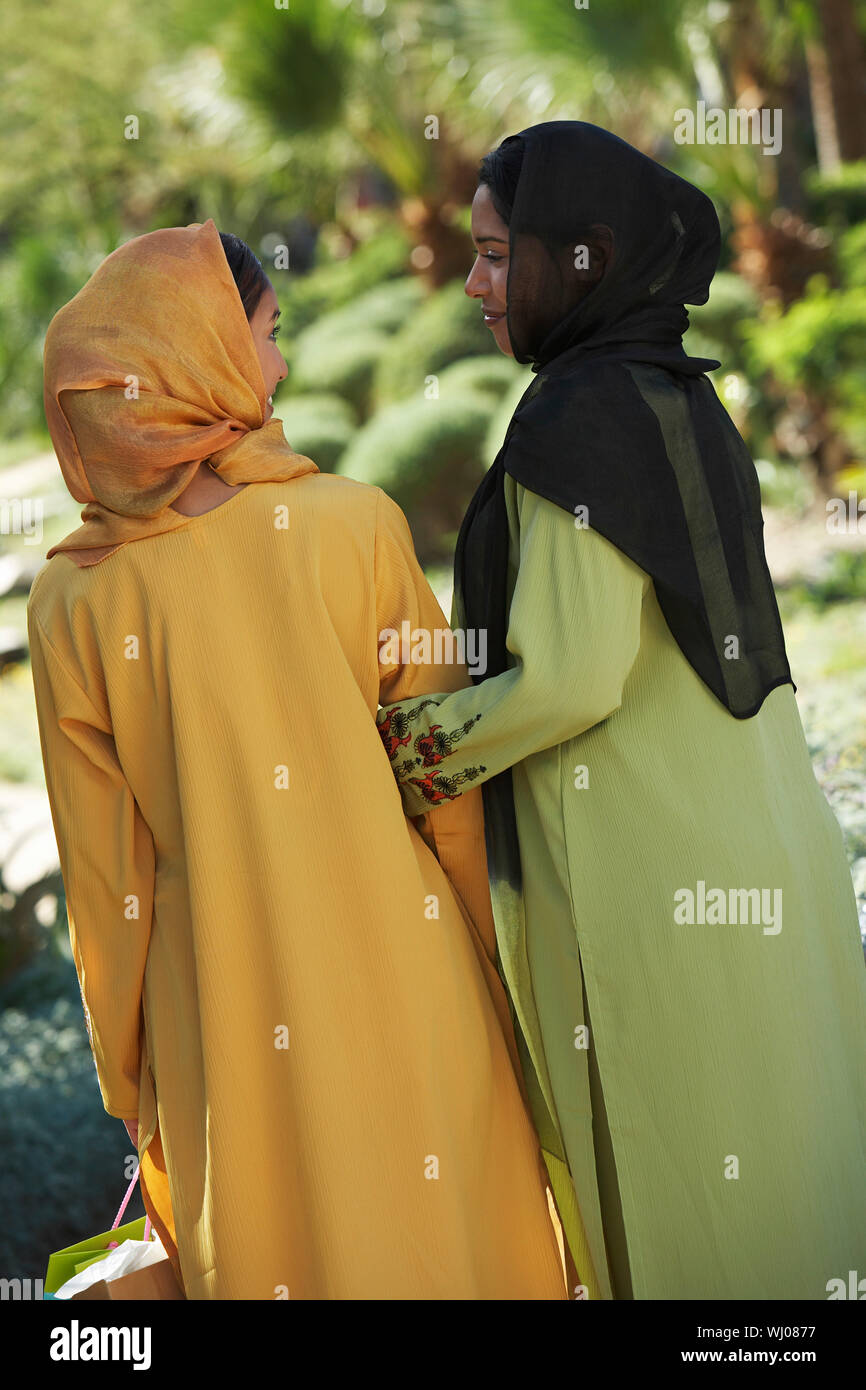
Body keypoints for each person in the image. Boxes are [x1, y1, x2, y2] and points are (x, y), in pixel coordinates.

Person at [26, 218, 571, 1299]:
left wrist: (129, 1075)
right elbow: (445, 778)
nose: (278, 364)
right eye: (266, 333)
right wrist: (503, 959)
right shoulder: (354, 526)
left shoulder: (73, 599)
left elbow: (106, 882)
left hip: (219, 1015)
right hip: (407, 966)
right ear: (201, 353)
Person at [375, 121, 866, 1300]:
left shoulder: (572, 417)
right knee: (791, 1191)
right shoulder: (681, 397)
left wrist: (401, 751)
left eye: (499, 257)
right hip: (765, 855)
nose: (476, 285)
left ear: (580, 258)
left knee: (688, 1213)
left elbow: (571, 676)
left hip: (654, 887)